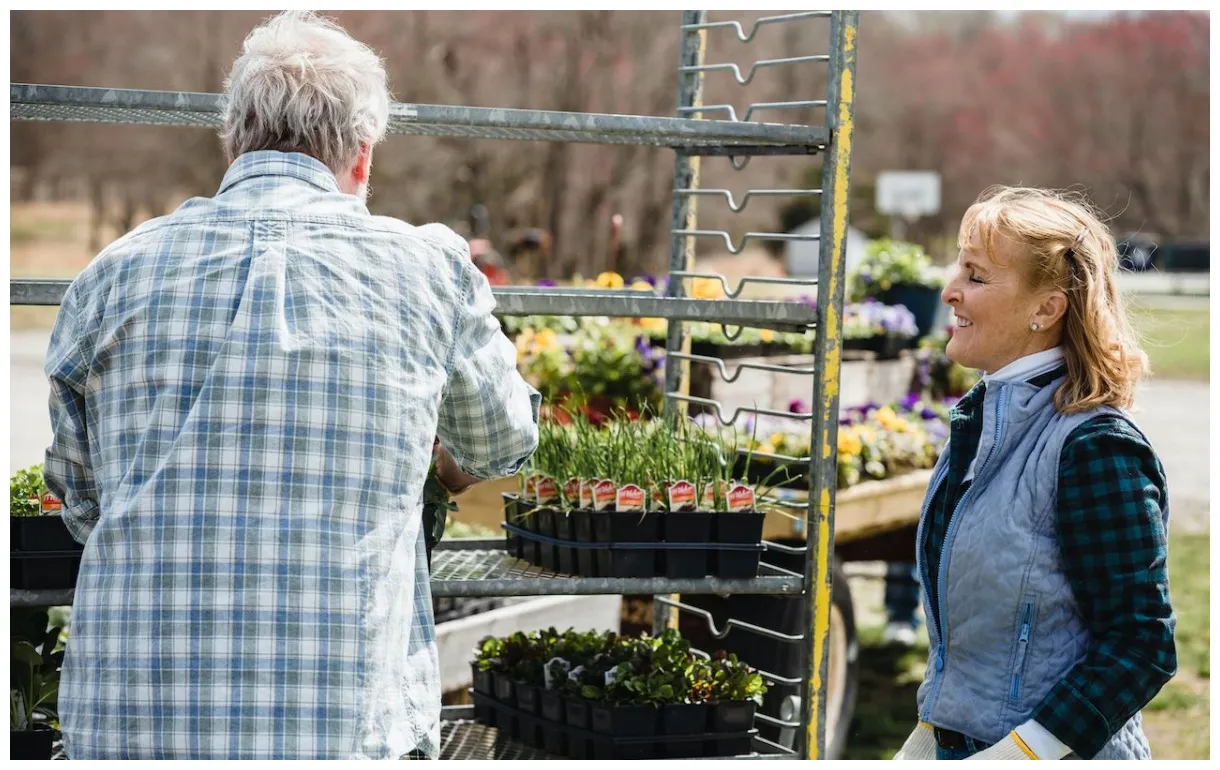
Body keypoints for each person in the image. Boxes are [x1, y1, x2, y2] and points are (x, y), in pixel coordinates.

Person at [43, 11, 539, 760]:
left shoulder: (112, 272)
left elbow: (81, 500)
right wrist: (431, 465)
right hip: (343, 724)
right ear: (362, 157)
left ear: (233, 141)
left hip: (132, 723)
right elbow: (501, 442)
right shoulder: (429, 269)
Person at [893, 187, 1176, 760]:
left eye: (975, 276)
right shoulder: (978, 420)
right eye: (958, 268)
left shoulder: (1095, 447)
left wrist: (1020, 755)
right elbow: (975, 644)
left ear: (1046, 309)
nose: (949, 291)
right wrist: (927, 740)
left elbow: (1142, 645)